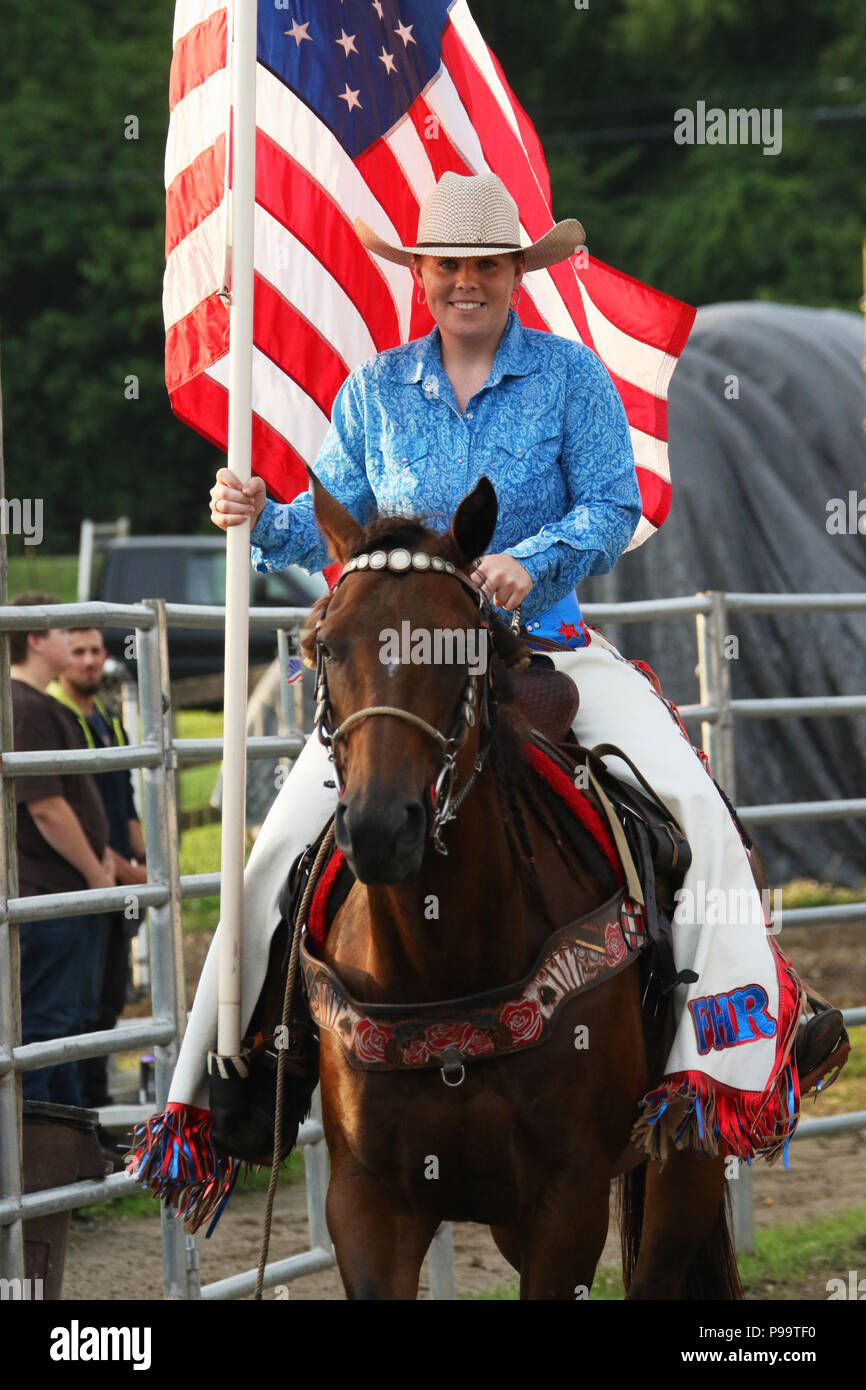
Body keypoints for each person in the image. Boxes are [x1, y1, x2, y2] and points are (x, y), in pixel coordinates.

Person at [164, 172, 842, 1173]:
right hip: (407, 669)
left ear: (514, 274)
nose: (463, 281)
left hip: (545, 647)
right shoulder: (375, 391)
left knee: (692, 804)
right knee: (274, 849)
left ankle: (730, 1052)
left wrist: (534, 561)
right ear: (422, 277)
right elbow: (333, 518)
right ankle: (228, 1085)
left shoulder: (571, 379)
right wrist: (260, 515)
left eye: (483, 264)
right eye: (445, 265)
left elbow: (614, 506)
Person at [9, 594, 113, 1106]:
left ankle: (61, 1159)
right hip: (51, 897)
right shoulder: (25, 706)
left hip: (55, 894)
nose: (70, 640)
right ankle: (46, 1162)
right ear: (34, 639)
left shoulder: (35, 704)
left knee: (63, 1023)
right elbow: (46, 807)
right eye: (59, 631)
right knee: (50, 1028)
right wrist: (97, 872)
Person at [47, 628, 146, 1116]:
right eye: (78, 651)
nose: (88, 662)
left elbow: (124, 797)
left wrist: (149, 860)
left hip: (117, 883)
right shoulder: (54, 717)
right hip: (83, 883)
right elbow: (66, 812)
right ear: (62, 655)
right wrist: (128, 869)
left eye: (95, 652)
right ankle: (82, 1117)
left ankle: (100, 1113)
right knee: (74, 1011)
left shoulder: (107, 717)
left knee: (107, 1001)